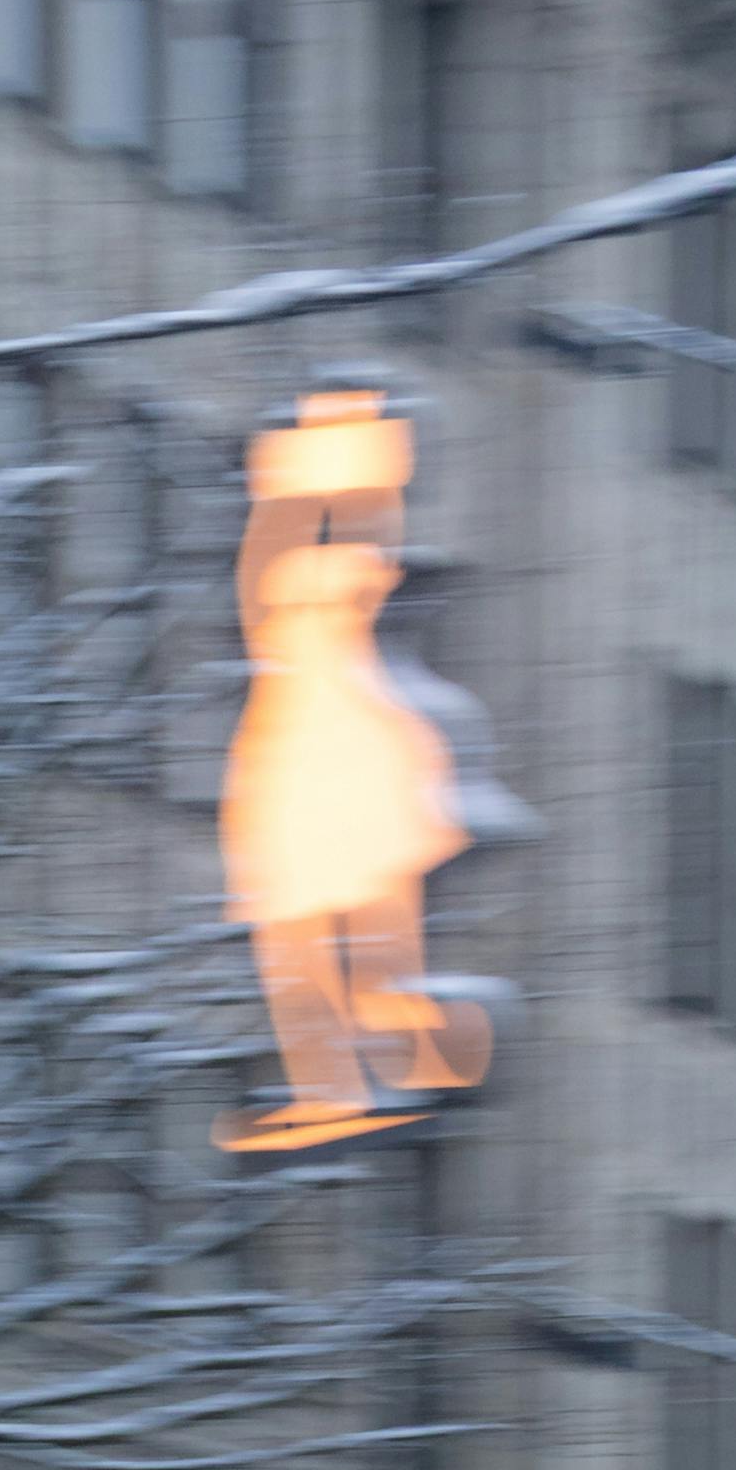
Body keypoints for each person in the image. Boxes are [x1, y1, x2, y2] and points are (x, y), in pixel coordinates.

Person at [216, 385, 521, 1150]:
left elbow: (286, 547)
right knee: (320, 944)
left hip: (331, 768)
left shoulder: (317, 605)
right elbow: (280, 546)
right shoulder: (308, 612)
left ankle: (353, 1078)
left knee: (329, 943)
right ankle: (345, 1079)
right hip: (316, 770)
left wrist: (333, 458)